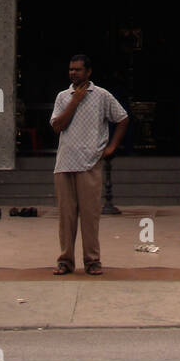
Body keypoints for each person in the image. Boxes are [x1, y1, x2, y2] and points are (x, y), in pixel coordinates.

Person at [50, 54, 128, 276]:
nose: (73, 73)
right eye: (71, 69)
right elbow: (58, 126)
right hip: (65, 163)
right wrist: (74, 101)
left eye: (78, 70)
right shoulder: (63, 97)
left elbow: (122, 118)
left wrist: (112, 147)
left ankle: (92, 261)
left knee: (90, 215)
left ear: (88, 72)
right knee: (66, 217)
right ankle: (65, 260)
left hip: (90, 163)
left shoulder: (102, 96)